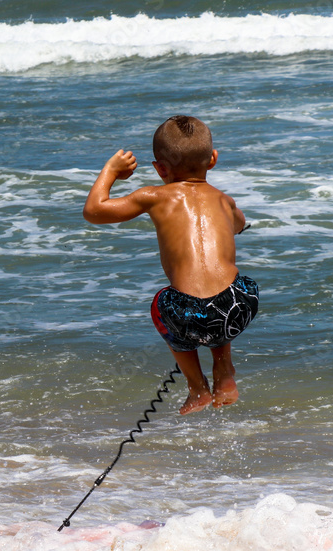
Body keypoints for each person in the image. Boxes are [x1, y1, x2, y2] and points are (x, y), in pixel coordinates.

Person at [82, 115, 259, 414]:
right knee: (223, 290)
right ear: (212, 159)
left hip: (189, 316)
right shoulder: (224, 201)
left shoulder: (154, 196)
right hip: (239, 307)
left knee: (162, 304)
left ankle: (197, 388)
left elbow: (94, 211)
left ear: (160, 168)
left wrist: (111, 171)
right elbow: (239, 225)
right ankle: (225, 371)